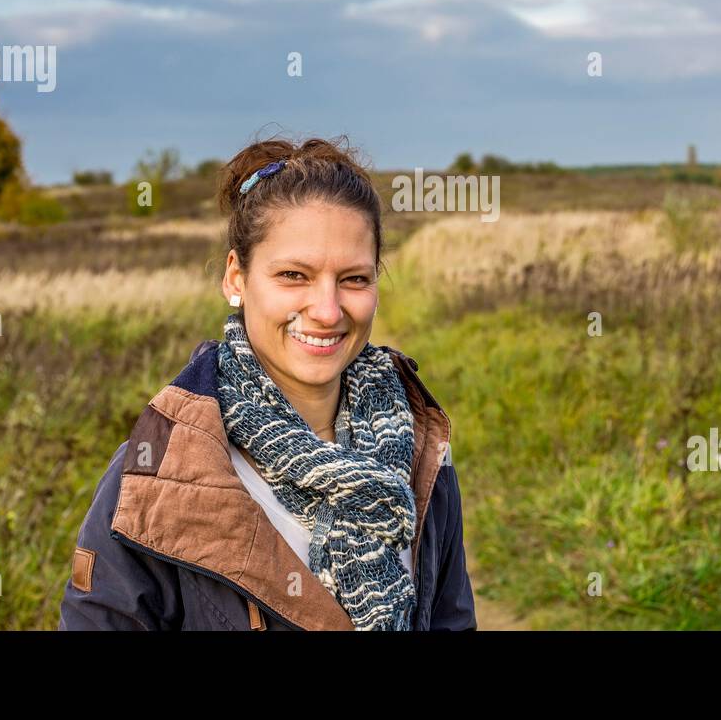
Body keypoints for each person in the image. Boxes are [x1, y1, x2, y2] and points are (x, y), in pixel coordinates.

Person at [58, 135, 476, 630]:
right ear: (236, 277)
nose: (327, 310)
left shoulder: (418, 450)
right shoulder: (156, 474)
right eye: (294, 275)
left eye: (355, 279)